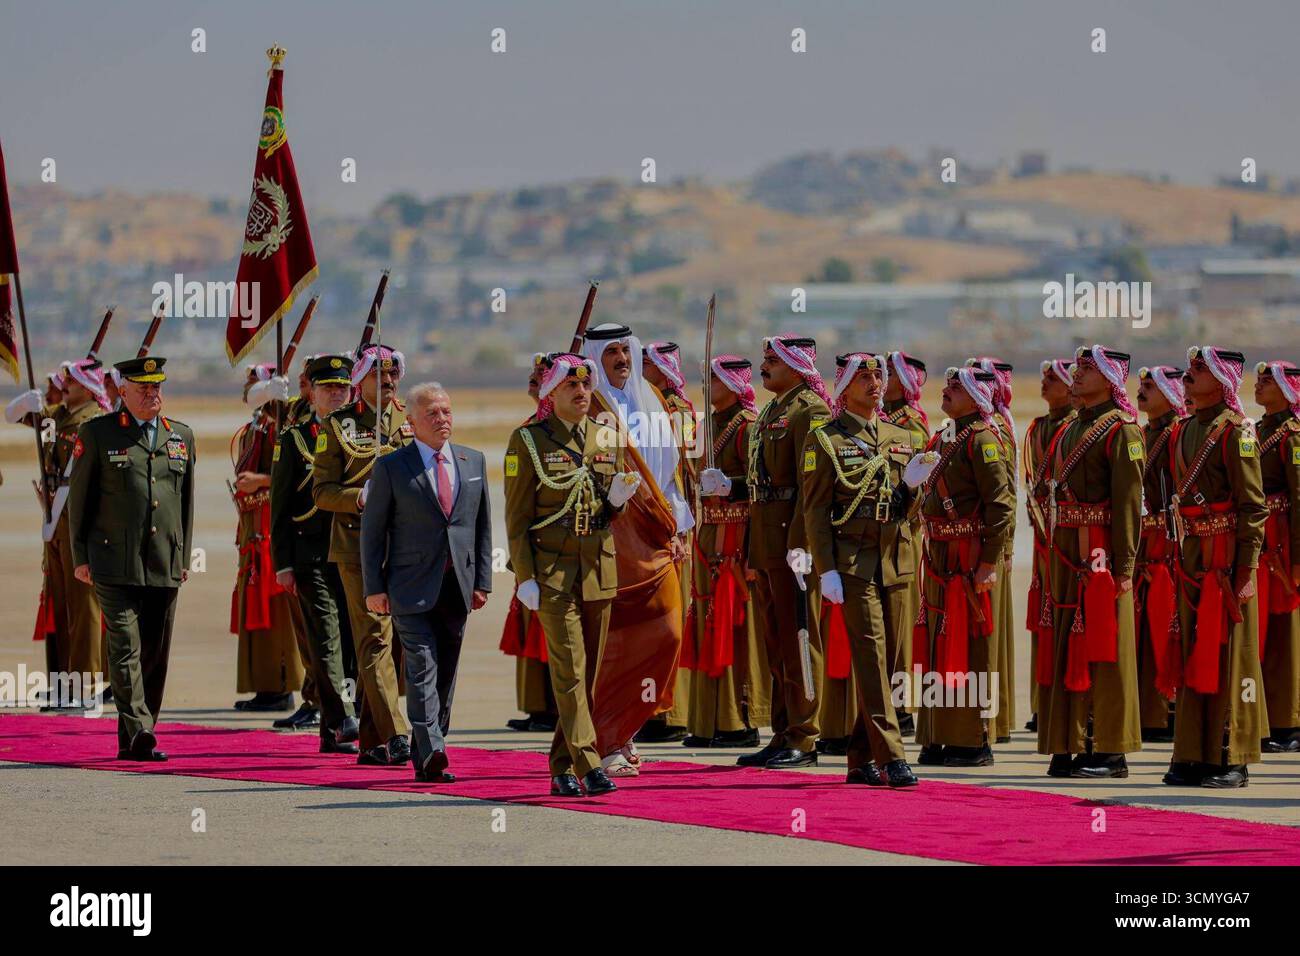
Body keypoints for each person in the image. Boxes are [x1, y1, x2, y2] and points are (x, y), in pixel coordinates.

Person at [504, 353, 639, 797]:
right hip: (552, 570)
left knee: (589, 674)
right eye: (571, 387)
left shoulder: (607, 438)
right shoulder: (527, 441)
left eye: (585, 387)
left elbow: (604, 508)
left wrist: (617, 500)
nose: (582, 394)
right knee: (570, 671)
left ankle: (561, 768)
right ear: (551, 393)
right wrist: (523, 574)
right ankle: (589, 761)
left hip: (597, 565)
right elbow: (517, 516)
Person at [361, 382, 492, 784]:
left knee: (446, 672)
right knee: (421, 669)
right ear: (412, 422)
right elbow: (373, 532)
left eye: (447, 412)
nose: (442, 419)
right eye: (432, 414)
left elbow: (482, 526)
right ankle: (433, 749)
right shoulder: (391, 467)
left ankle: (430, 741)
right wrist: (374, 587)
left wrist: (482, 580)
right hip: (409, 588)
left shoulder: (473, 461)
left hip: (457, 586)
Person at [67, 356, 195, 760]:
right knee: (124, 648)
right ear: (122, 393)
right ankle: (140, 727)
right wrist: (80, 556)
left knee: (155, 654)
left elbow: (184, 504)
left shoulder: (181, 437)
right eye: (142, 388)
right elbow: (79, 501)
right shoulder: (99, 433)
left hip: (163, 562)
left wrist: (183, 555)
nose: (152, 393)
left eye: (157, 386)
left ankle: (137, 737)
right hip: (112, 562)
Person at [802, 352, 920, 787]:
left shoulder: (900, 435)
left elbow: (908, 510)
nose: (874, 383)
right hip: (853, 563)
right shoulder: (826, 439)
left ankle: (858, 757)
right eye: (864, 377)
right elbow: (815, 512)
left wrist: (912, 486)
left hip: (896, 560)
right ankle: (892, 757)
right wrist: (826, 569)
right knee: (869, 658)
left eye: (879, 376)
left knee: (888, 664)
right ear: (844, 387)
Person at [580, 323, 689, 776]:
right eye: (611, 353)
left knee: (667, 634)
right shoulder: (591, 407)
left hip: (658, 535)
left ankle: (625, 728)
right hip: (614, 537)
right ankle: (608, 740)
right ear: (595, 359)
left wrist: (678, 524)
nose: (621, 359)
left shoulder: (654, 400)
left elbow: (667, 476)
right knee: (615, 645)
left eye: (626, 350)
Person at [1033, 346, 1143, 778]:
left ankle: (1109, 750)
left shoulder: (1121, 432)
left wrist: (1125, 568)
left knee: (1102, 647)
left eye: (1088, 370)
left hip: (1099, 553)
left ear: (1112, 377)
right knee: (1064, 642)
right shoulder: (1070, 428)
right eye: (1077, 368)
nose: (1076, 375)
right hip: (1065, 552)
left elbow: (1128, 506)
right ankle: (1068, 740)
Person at [1163, 347, 1267, 789]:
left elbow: (1253, 507)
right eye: (1190, 368)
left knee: (1227, 656)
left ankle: (1230, 756)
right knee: (1192, 651)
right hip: (1191, 559)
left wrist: (1245, 572)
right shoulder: (1183, 428)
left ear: (1222, 379)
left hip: (1225, 560)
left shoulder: (1236, 432)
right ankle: (1190, 753)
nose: (1189, 375)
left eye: (1200, 370)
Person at [313, 343, 414, 766]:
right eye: (378, 376)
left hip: (407, 548)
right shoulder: (337, 427)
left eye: (392, 376)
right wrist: (360, 497)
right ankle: (400, 732)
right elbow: (322, 492)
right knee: (374, 639)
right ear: (361, 380)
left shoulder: (411, 421)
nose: (388, 383)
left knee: (400, 647)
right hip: (357, 548)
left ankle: (373, 740)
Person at [914, 366, 1014, 767]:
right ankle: (939, 733)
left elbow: (1001, 506)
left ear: (976, 396)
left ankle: (971, 740)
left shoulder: (983, 439)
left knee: (969, 647)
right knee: (939, 643)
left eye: (956, 387)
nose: (946, 391)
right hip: (940, 557)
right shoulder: (944, 436)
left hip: (967, 558)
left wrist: (989, 562)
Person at [740, 333, 832, 769]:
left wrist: (801, 545)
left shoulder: (809, 410)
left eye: (772, 360)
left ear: (796, 365)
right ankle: (782, 731)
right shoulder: (775, 409)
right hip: (766, 540)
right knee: (776, 640)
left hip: (790, 544)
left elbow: (810, 489)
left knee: (799, 637)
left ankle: (805, 734)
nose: (765, 367)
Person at [270, 354, 362, 754]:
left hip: (353, 553)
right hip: (311, 555)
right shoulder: (294, 440)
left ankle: (334, 728)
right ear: (311, 392)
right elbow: (279, 507)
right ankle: (344, 716)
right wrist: (283, 564)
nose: (337, 395)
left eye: (343, 387)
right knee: (326, 641)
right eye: (328, 388)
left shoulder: (361, 435)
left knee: (355, 642)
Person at [7, 359, 112, 706]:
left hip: (81, 516)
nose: (64, 386)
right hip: (55, 514)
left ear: (87, 385)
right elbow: (11, 415)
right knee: (61, 599)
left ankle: (83, 687)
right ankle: (62, 679)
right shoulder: (60, 417)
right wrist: (29, 404)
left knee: (83, 605)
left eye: (71, 381)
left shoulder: (96, 420)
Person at [689, 356, 770, 748]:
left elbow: (759, 487)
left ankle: (739, 721)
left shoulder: (748, 428)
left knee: (738, 631)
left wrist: (728, 486)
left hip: (737, 541)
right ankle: (708, 721)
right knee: (708, 625)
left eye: (715, 379)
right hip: (710, 539)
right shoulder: (708, 426)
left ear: (734, 384)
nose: (708, 386)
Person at [231, 363, 306, 716]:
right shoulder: (259, 424)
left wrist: (260, 481)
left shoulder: (284, 424)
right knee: (256, 606)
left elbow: (294, 468)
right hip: (252, 525)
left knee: (276, 611)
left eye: (252, 382)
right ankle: (265, 685)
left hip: (271, 527)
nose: (246, 388)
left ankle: (282, 684)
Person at [637, 340, 698, 743]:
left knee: (672, 619)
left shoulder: (674, 411)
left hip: (673, 523)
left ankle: (672, 713)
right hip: (655, 522)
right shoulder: (651, 406)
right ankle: (654, 709)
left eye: (647, 364)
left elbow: (687, 468)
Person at [502, 354, 559, 733]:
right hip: (531, 543)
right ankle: (540, 707)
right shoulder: (527, 432)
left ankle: (553, 709)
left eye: (541, 377)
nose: (532, 381)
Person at [1022, 358, 1077, 734]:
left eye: (1053, 379)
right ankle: (1043, 704)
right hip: (1045, 539)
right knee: (1043, 623)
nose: (1044, 384)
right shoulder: (1038, 428)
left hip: (1070, 543)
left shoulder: (1076, 428)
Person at [967, 356, 1018, 742]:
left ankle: (988, 723)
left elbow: (1004, 498)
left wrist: (1001, 550)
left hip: (985, 549)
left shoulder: (992, 431)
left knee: (987, 636)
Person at [1134, 365, 1185, 742]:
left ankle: (1168, 711)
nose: (1142, 391)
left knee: (1167, 627)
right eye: (1140, 385)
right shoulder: (1145, 434)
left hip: (1167, 546)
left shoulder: (1175, 436)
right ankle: (1149, 712)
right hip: (1144, 546)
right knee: (1143, 634)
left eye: (1150, 386)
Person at [1251, 360, 1300, 753]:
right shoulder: (1262, 430)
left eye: (1267, 380)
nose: (1259, 385)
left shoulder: (1292, 436)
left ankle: (1289, 722)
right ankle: (1269, 717)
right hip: (1264, 545)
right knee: (1264, 635)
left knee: (1286, 637)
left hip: (1283, 546)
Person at [882, 350, 931, 735]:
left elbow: (917, 485)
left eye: (889, 375)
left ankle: (901, 707)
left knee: (900, 623)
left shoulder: (910, 425)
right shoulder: (884, 420)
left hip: (902, 532)